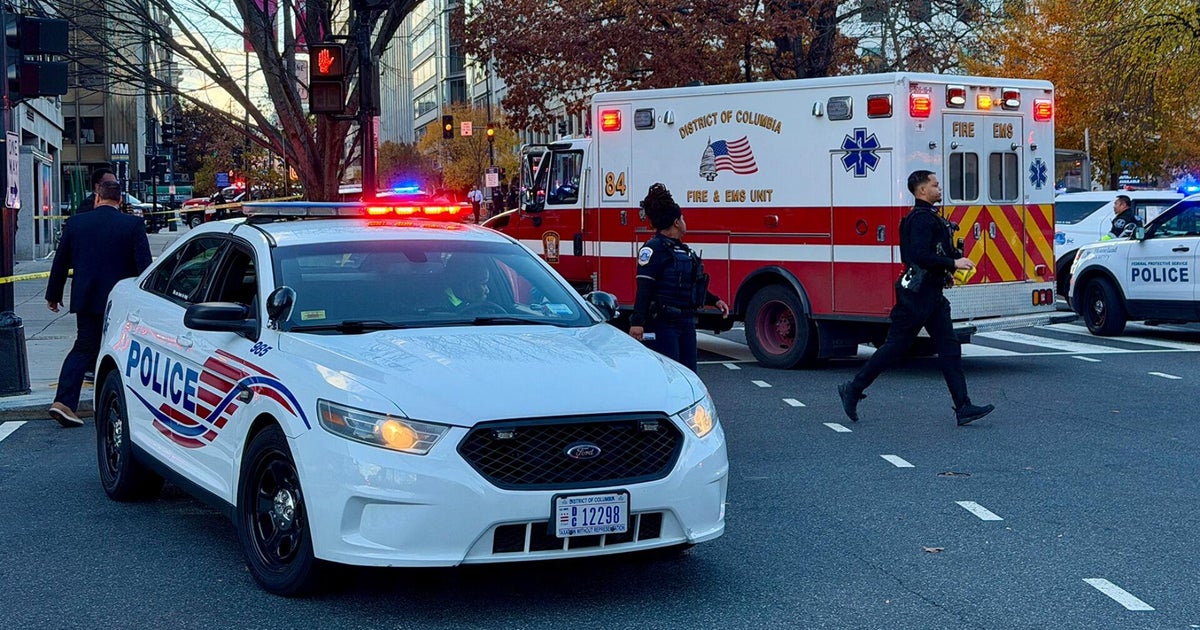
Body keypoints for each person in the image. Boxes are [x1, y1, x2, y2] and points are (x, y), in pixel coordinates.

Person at [838, 170, 994, 427]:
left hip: (932, 294)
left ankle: (963, 407)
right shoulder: (920, 220)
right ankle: (853, 389)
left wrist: (946, 271)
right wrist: (952, 263)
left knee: (949, 348)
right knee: (895, 347)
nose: (939, 188)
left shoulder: (929, 217)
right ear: (922, 190)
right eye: (935, 185)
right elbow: (919, 256)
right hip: (916, 297)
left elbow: (931, 253)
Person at [45, 178, 152, 427]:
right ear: (121, 200)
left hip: (87, 297)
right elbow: (144, 266)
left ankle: (64, 402)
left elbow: (60, 262)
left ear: (97, 197)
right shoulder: (133, 225)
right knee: (122, 351)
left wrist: (54, 294)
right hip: (121, 301)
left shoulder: (77, 223)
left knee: (84, 347)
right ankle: (123, 404)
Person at [628, 183, 729, 373]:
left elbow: (690, 285)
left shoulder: (683, 250)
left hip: (686, 321)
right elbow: (644, 288)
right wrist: (637, 323)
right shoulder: (653, 249)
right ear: (676, 222)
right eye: (682, 218)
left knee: (690, 373)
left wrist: (715, 300)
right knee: (671, 373)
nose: (684, 222)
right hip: (663, 323)